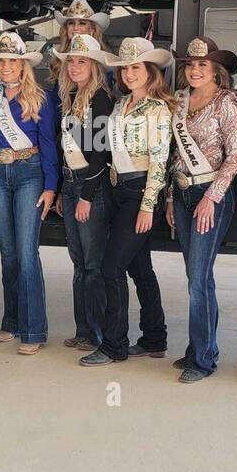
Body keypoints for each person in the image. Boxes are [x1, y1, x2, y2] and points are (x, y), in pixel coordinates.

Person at [79, 37, 174, 367]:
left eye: (136, 67)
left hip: (139, 194)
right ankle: (154, 338)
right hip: (120, 190)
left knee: (111, 267)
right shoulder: (120, 105)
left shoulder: (159, 109)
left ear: (150, 71)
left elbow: (160, 161)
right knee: (140, 267)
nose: (130, 73)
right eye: (125, 68)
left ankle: (114, 344)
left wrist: (149, 205)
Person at [165, 37, 237, 384]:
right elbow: (172, 153)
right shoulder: (179, 99)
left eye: (202, 65)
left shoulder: (227, 101)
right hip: (181, 194)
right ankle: (198, 348)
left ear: (216, 71)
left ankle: (204, 358)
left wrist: (212, 196)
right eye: (190, 64)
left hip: (210, 195)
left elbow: (236, 155)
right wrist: (169, 197)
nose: (195, 70)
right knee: (194, 276)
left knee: (199, 277)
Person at [0, 31, 58, 354]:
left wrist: (51, 186)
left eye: (12, 60)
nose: (6, 65)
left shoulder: (40, 97)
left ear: (23, 64)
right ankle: (11, 321)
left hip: (29, 173)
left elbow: (49, 144)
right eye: (1, 60)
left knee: (26, 253)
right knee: (8, 253)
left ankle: (34, 330)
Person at [53, 32, 115, 353]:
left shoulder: (101, 99)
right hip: (70, 183)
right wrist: (66, 191)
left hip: (91, 186)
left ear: (94, 65)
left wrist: (87, 196)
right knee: (79, 264)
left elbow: (101, 153)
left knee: (93, 264)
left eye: (82, 61)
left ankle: (96, 333)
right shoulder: (70, 98)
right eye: (72, 61)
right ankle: (83, 329)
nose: (75, 66)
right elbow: (66, 149)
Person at [47, 0, 109, 83]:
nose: (75, 28)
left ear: (92, 30)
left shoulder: (104, 62)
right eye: (71, 23)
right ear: (66, 29)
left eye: (82, 23)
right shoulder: (58, 59)